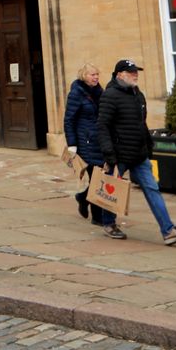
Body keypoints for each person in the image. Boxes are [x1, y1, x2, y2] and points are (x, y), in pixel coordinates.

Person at [96, 59, 176, 245]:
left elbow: (142, 124)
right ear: (119, 75)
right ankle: (108, 223)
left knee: (152, 189)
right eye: (131, 72)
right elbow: (102, 126)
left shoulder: (137, 94)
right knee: (111, 190)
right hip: (119, 155)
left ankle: (169, 231)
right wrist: (109, 155)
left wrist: (148, 147)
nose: (135, 75)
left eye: (136, 72)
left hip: (139, 155)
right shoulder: (110, 95)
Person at [61, 63, 115, 231]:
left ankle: (83, 198)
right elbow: (69, 120)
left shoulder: (100, 91)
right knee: (96, 177)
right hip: (86, 141)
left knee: (99, 177)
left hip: (100, 139)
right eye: (93, 74)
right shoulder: (76, 93)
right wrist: (72, 144)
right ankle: (97, 217)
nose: (96, 77)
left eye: (97, 74)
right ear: (84, 75)